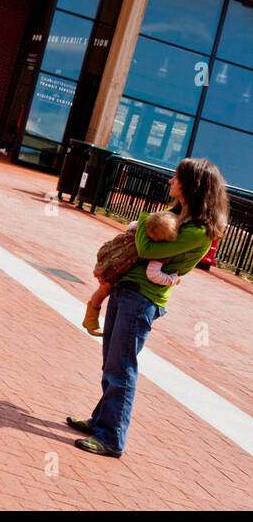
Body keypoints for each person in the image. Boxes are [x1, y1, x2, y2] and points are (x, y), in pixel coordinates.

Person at [68, 157, 228, 457]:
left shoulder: (198, 231)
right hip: (127, 290)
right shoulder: (177, 216)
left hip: (142, 299)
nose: (170, 182)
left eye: (176, 178)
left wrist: (142, 220)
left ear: (191, 186)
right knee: (112, 364)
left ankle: (111, 438)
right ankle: (101, 421)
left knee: (122, 368)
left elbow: (147, 248)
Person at [82, 210, 181, 336]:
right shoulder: (156, 253)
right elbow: (153, 274)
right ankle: (90, 318)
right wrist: (173, 279)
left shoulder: (138, 229)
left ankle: (91, 316)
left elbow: (133, 224)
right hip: (114, 269)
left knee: (103, 289)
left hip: (109, 256)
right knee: (104, 289)